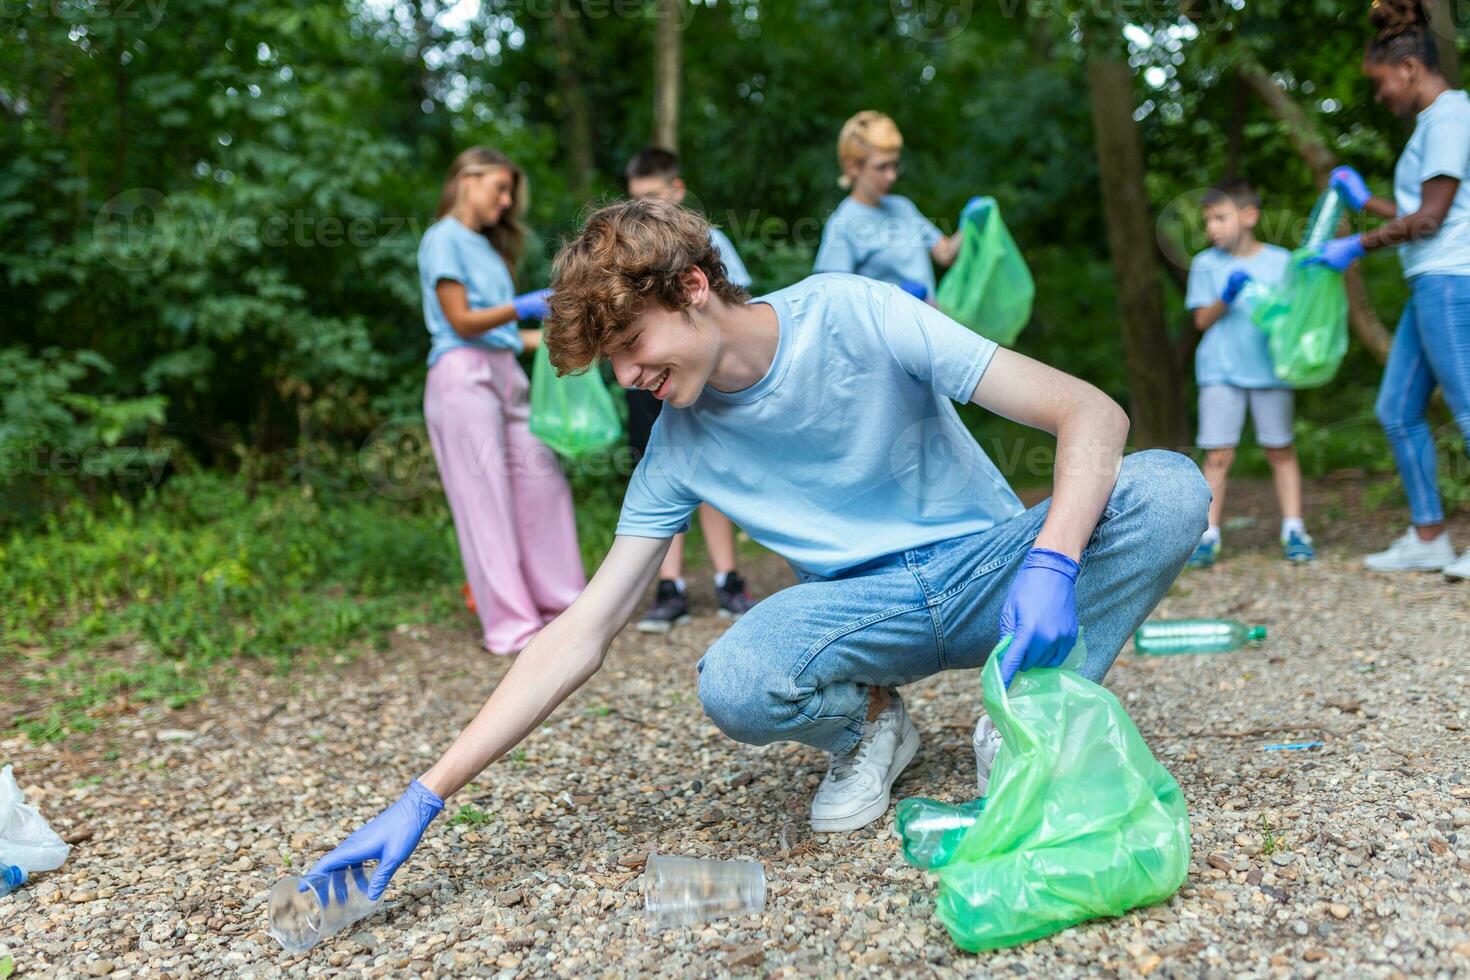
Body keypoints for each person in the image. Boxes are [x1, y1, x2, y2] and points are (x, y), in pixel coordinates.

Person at [308, 198, 1209, 900]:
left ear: (694, 286)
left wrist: (1051, 561)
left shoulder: (854, 311)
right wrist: (425, 794)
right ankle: (871, 726)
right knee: (735, 678)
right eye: (615, 364)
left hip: (992, 575)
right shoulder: (677, 445)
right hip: (868, 615)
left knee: (1168, 488)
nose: (630, 379)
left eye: (633, 345)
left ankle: (1030, 713)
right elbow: (580, 631)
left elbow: (1091, 413)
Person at [1313, 0, 1470, 580]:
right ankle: (1429, 537)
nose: (1379, 95)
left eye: (1380, 82)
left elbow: (1430, 219)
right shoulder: (1433, 124)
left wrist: (1356, 245)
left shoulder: (1450, 117)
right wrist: (1365, 202)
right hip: (1429, 280)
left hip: (1452, 277)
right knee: (1398, 409)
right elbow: (1418, 210)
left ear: (1408, 68)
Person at [417, 147, 586, 654]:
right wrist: (521, 306)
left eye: (510, 192)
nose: (507, 201)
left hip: (504, 372)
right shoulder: (443, 238)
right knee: (485, 501)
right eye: (500, 188)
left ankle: (563, 605)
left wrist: (573, 339)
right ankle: (512, 626)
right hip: (462, 374)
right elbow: (461, 321)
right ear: (467, 180)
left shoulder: (488, 250)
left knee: (543, 484)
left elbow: (507, 337)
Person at [622, 146, 758, 630]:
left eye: (653, 196)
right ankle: (670, 586)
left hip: (704, 377)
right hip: (652, 379)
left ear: (677, 190)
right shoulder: (629, 249)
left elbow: (738, 303)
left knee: (715, 466)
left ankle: (728, 579)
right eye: (636, 199)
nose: (645, 207)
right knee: (660, 467)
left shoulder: (709, 240)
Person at [1184, 179, 1315, 567]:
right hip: (1220, 372)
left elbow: (1295, 317)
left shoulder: (1280, 261)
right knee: (1218, 453)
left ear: (1249, 216)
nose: (1212, 227)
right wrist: (1225, 296)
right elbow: (1201, 321)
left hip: (1271, 371)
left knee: (1280, 449)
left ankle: (1294, 529)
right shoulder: (1205, 264)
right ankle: (1207, 534)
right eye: (1208, 220)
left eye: (1220, 218)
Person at [813, 110, 962, 301]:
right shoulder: (843, 223)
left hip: (930, 319)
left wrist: (971, 225)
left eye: (894, 165)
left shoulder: (904, 207)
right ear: (852, 168)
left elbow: (945, 254)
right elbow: (831, 298)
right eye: (881, 167)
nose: (891, 176)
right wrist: (893, 302)